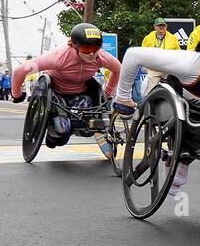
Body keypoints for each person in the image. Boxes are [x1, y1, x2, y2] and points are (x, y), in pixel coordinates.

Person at [112, 15, 200, 196]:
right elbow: (134, 55)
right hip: (177, 108)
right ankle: (181, 155)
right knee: (187, 127)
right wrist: (123, 96)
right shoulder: (190, 64)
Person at [10, 23, 123, 151]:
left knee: (86, 127)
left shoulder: (101, 57)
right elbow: (20, 71)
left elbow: (117, 69)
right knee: (62, 134)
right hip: (55, 94)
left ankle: (65, 129)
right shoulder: (60, 56)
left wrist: (107, 93)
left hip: (81, 93)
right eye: (86, 49)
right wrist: (17, 94)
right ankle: (53, 133)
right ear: (74, 45)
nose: (91, 54)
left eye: (96, 48)